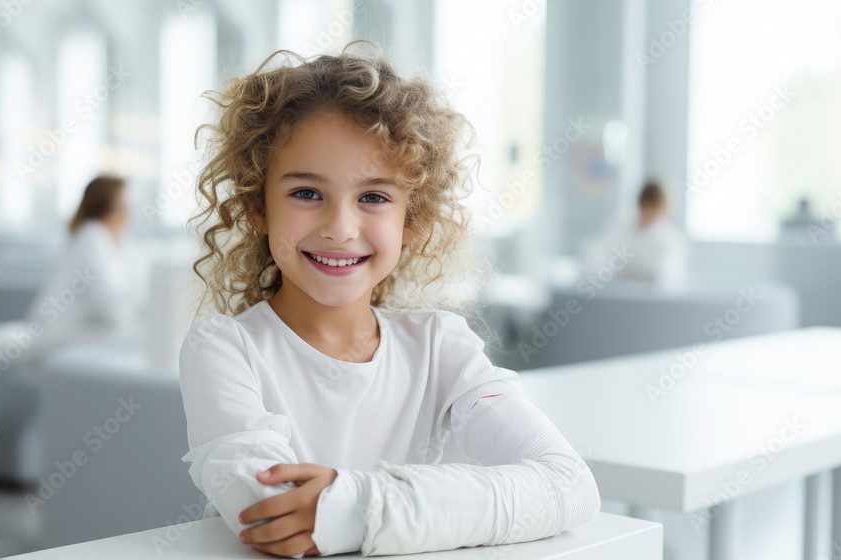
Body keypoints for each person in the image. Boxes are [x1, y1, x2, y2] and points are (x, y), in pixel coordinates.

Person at [179, 41, 600, 558]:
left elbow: (569, 486)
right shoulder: (224, 348)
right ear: (257, 209)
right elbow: (273, 512)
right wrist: (432, 508)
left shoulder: (440, 345)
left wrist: (359, 508)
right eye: (307, 193)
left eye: (374, 197)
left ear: (412, 221)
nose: (340, 227)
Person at [21, 175, 147, 362]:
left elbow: (140, 296)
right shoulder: (92, 236)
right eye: (123, 205)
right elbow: (111, 310)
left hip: (85, 332)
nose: (129, 213)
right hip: (55, 337)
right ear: (106, 208)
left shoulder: (123, 245)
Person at [582, 180, 687, 288]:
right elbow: (599, 261)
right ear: (640, 205)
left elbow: (665, 280)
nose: (649, 215)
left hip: (650, 300)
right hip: (617, 293)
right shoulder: (620, 227)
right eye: (646, 209)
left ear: (663, 211)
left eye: (654, 211)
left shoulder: (670, 240)